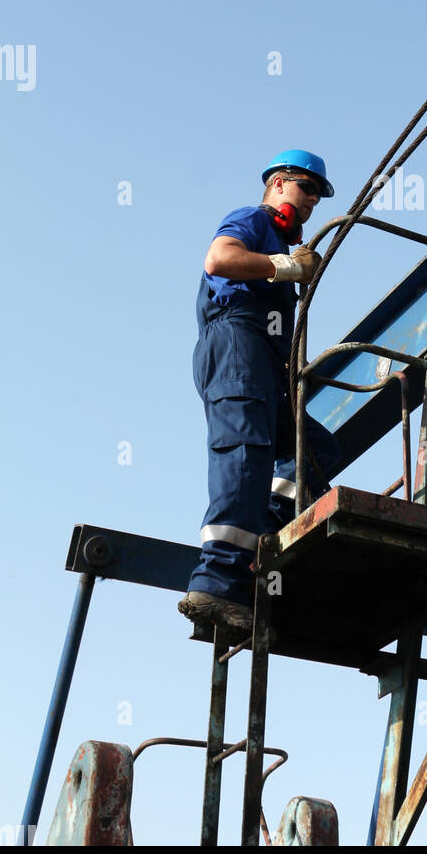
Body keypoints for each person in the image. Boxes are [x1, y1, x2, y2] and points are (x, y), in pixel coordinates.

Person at [178, 149, 341, 633]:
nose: (311, 199)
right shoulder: (251, 219)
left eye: (318, 193)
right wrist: (285, 267)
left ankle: (260, 540)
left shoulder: (282, 244)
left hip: (265, 363)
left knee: (314, 450)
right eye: (304, 187)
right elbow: (220, 258)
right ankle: (214, 581)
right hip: (235, 344)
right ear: (276, 184)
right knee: (245, 452)